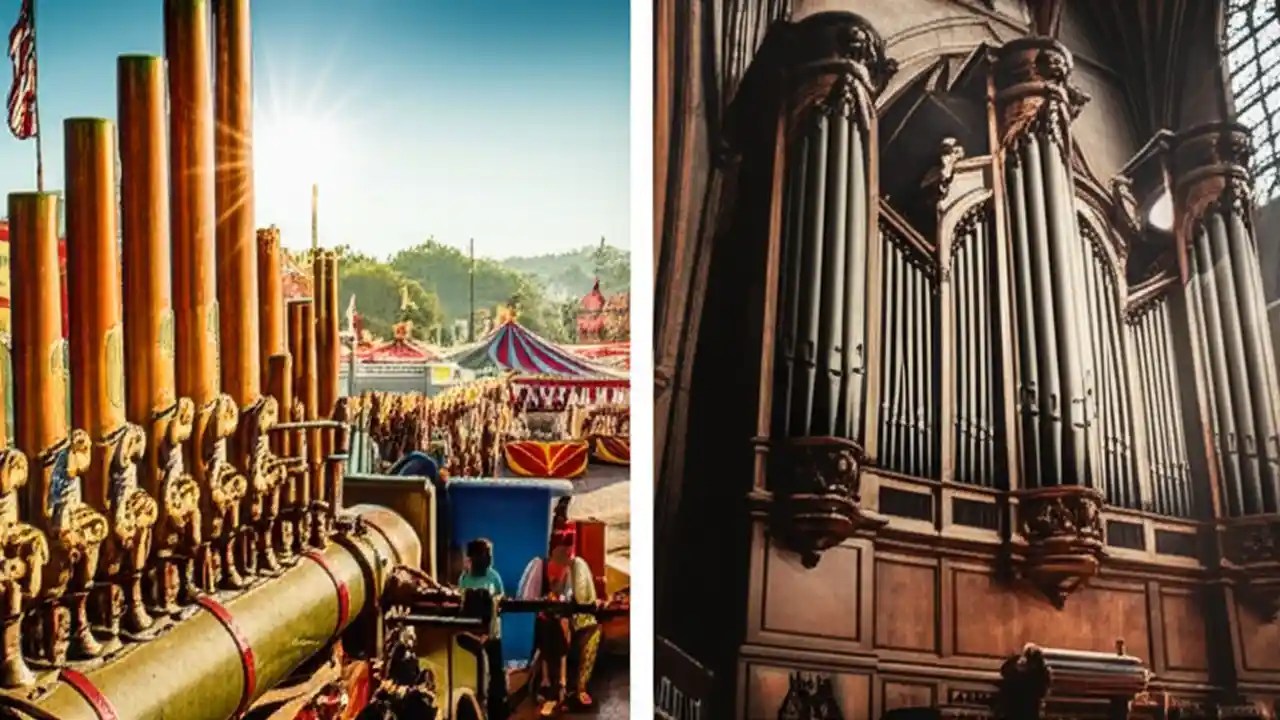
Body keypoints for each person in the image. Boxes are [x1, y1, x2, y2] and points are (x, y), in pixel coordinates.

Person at [517, 509, 602, 717]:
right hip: (548, 620)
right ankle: (551, 681)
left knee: (566, 627)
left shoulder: (575, 567)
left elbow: (580, 598)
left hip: (569, 620)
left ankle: (569, 685)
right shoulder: (541, 566)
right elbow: (528, 596)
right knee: (550, 626)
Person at [457, 538, 507, 720]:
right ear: (474, 557)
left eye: (489, 555)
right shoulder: (464, 578)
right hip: (471, 637)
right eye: (485, 554)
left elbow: (501, 600)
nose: (488, 558)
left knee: (496, 674)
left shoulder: (494, 577)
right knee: (475, 674)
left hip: (492, 636)